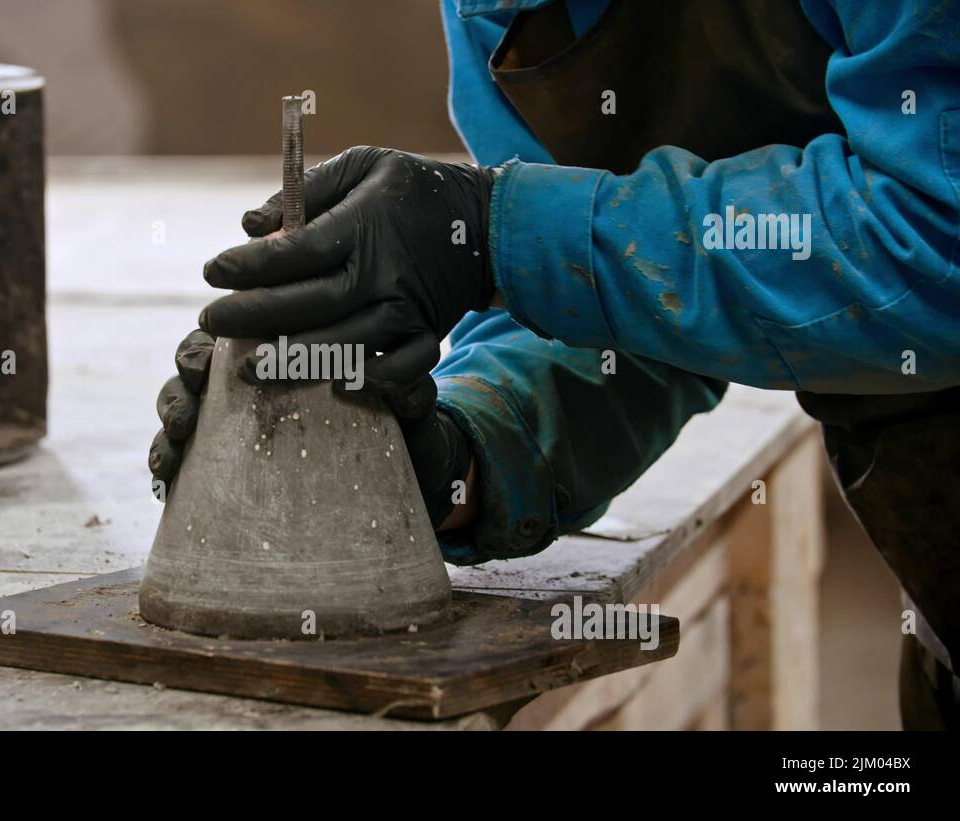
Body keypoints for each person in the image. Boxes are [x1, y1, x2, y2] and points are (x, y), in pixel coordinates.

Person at [150, 0, 960, 728]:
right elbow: (629, 297)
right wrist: (460, 454)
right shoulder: (502, 12)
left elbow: (934, 237)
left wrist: (504, 234)